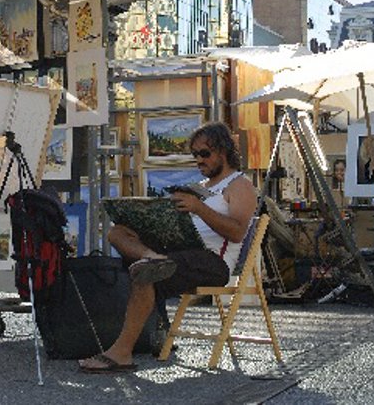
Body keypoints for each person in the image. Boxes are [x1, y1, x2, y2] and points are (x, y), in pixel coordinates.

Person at [78, 122, 257, 373]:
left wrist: (198, 208)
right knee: (117, 232)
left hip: (213, 261)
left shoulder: (240, 185)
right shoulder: (200, 188)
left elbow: (238, 232)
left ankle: (121, 352)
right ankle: (153, 258)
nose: (199, 160)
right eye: (195, 155)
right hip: (179, 252)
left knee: (144, 272)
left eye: (204, 154)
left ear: (224, 151)